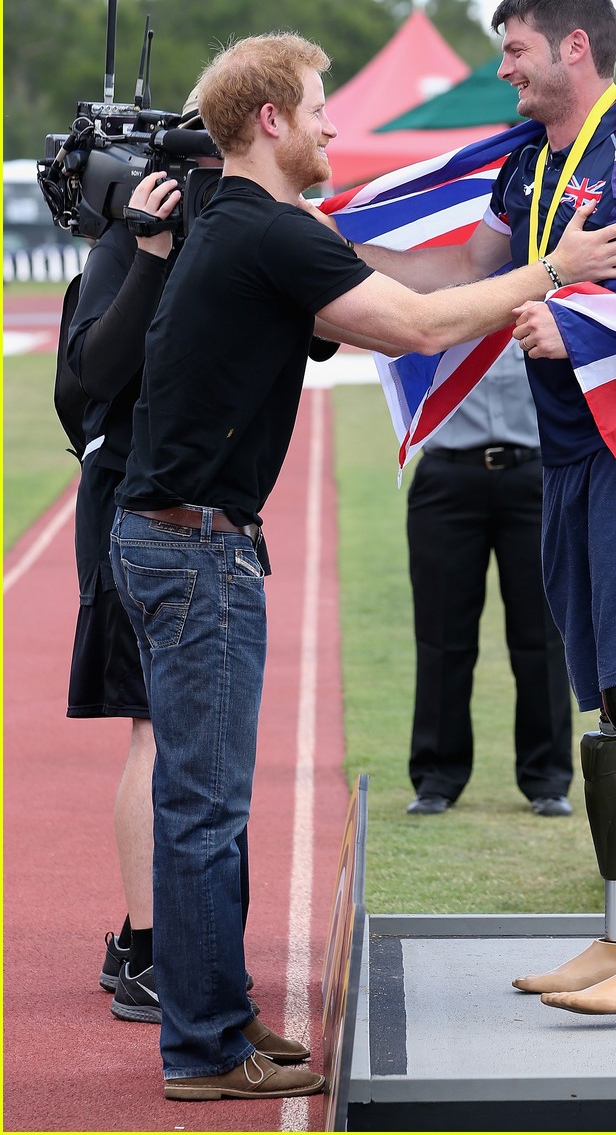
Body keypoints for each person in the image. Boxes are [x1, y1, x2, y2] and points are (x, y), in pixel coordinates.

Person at [108, 30, 616, 1101]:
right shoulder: (264, 228)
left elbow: (407, 286)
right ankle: (205, 1048)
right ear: (270, 121)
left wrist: (506, 250)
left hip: (181, 534)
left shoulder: (243, 222)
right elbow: (415, 326)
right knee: (204, 806)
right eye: (315, 106)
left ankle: (219, 1012)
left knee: (205, 798)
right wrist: (556, 269)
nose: (332, 124)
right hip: (194, 541)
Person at [337, 0, 616, 1020]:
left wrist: (586, 324)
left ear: (576, 47)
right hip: (565, 464)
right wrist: (320, 245)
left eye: (515, 47)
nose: (501, 67)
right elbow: (452, 285)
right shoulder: (532, 166)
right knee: (609, 707)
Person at [64, 95, 331, 1029]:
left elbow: (330, 324)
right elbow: (87, 383)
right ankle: (149, 949)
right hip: (142, 512)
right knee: (160, 739)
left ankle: (171, 950)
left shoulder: (238, 236)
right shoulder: (131, 245)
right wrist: (145, 255)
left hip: (192, 509)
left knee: (191, 755)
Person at [405, 342, 574, 817]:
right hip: (447, 479)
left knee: (542, 635)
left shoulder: (547, 279)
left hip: (534, 477)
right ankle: (437, 776)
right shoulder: (437, 284)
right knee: (441, 634)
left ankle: (547, 778)